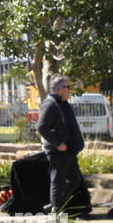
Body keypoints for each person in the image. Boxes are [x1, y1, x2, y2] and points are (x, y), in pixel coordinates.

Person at [37, 74, 85, 213]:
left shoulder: (63, 103)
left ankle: (53, 205)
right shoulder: (50, 103)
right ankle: (56, 210)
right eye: (68, 87)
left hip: (69, 150)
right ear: (59, 89)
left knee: (75, 180)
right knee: (58, 181)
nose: (70, 90)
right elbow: (42, 126)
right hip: (58, 150)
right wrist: (58, 143)